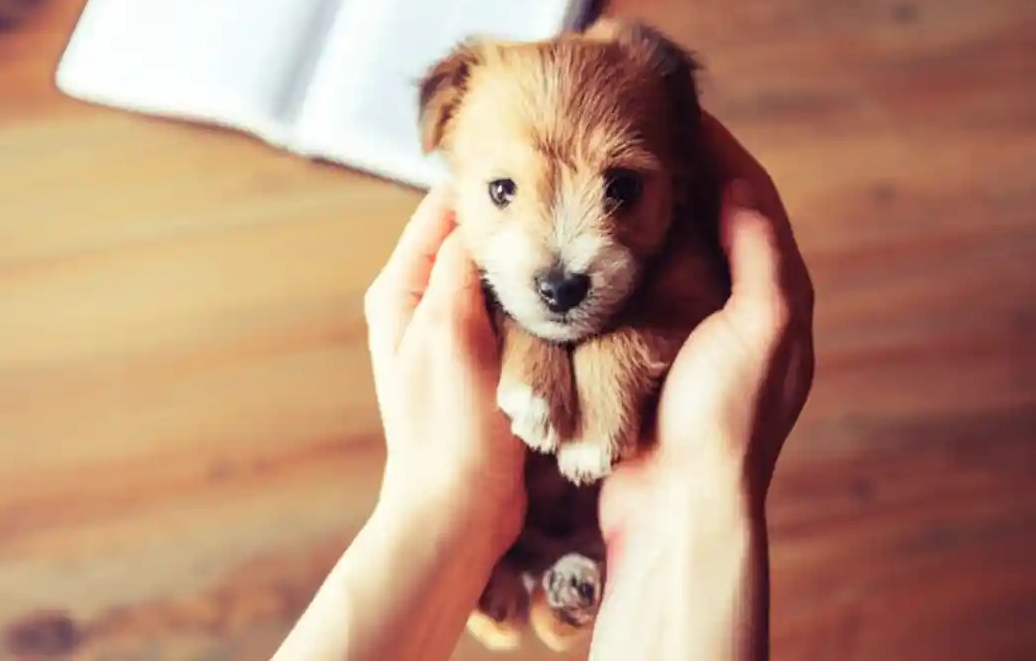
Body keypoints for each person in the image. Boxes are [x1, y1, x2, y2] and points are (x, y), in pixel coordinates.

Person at [272, 114, 814, 661]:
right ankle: (516, 569)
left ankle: (550, 570)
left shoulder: (681, 240)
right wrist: (449, 501)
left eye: (618, 189)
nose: (563, 243)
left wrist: (442, 506)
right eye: (505, 190)